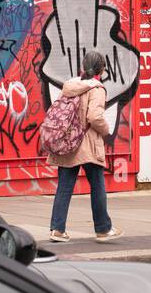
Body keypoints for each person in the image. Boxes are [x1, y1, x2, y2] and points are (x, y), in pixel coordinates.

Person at [46, 49, 123, 242]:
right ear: (101, 69)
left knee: (64, 186)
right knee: (97, 186)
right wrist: (106, 131)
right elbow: (94, 117)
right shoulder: (96, 89)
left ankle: (57, 229)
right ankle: (103, 229)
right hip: (87, 143)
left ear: (83, 67)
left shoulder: (71, 85)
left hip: (68, 142)